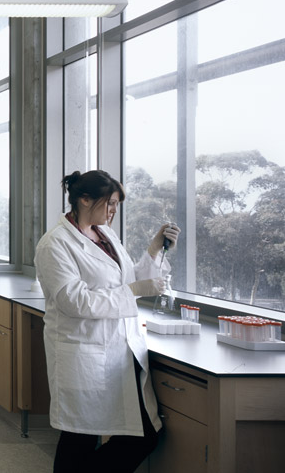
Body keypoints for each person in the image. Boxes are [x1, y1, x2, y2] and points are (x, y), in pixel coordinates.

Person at [34, 169, 180, 473]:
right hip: (83, 352)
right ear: (84, 199)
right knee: (80, 438)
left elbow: (126, 281)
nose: (114, 211)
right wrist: (135, 291)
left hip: (120, 349)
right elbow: (74, 301)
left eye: (116, 204)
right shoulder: (55, 244)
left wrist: (154, 249)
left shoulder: (105, 234)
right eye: (110, 203)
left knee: (144, 434)